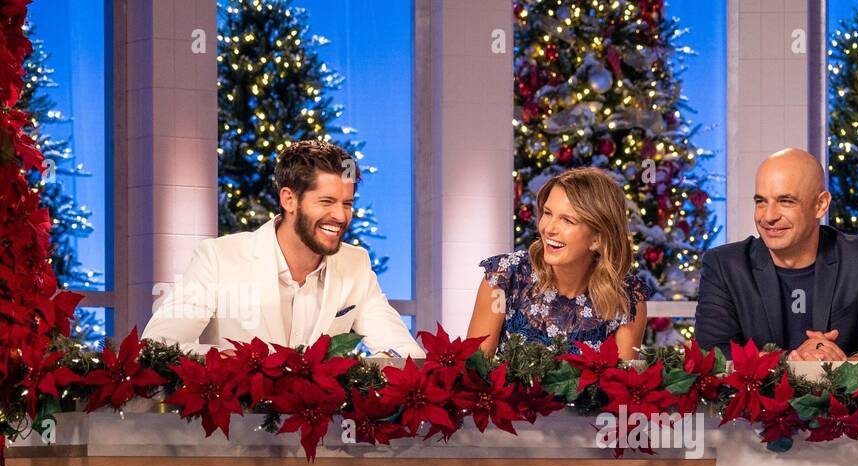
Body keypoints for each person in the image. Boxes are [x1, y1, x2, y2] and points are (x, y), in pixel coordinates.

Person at [143, 140, 423, 357]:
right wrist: (229, 361)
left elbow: (405, 353)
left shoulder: (356, 264)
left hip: (321, 430)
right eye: (326, 201)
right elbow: (158, 346)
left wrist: (371, 370)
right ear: (289, 200)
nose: (340, 216)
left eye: (347, 204)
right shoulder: (218, 258)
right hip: (235, 428)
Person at [693, 148, 858, 361]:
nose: (768, 216)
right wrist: (794, 360)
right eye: (761, 201)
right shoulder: (724, 265)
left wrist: (840, 367)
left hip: (843, 394)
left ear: (820, 205)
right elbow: (713, 353)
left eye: (785, 201)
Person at [469, 167, 648, 359]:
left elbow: (622, 386)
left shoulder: (627, 300)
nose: (548, 228)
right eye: (547, 213)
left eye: (567, 220)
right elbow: (473, 377)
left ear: (598, 239)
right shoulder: (503, 277)